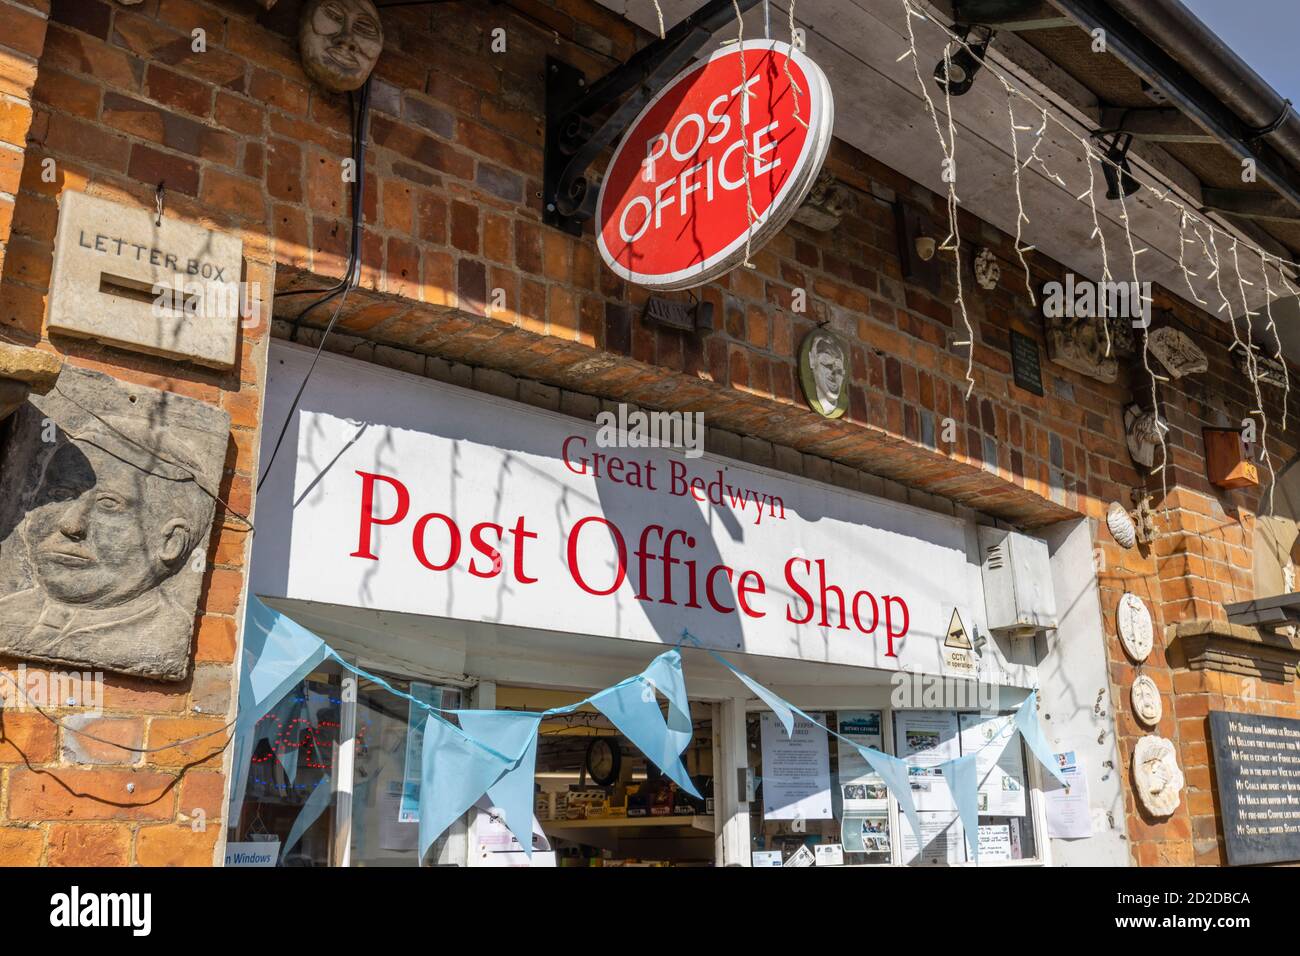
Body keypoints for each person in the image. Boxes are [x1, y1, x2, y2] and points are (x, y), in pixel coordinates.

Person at [0, 418, 215, 680]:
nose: (71, 524)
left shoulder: (158, 637)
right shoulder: (9, 610)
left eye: (108, 504)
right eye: (60, 493)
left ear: (171, 542)